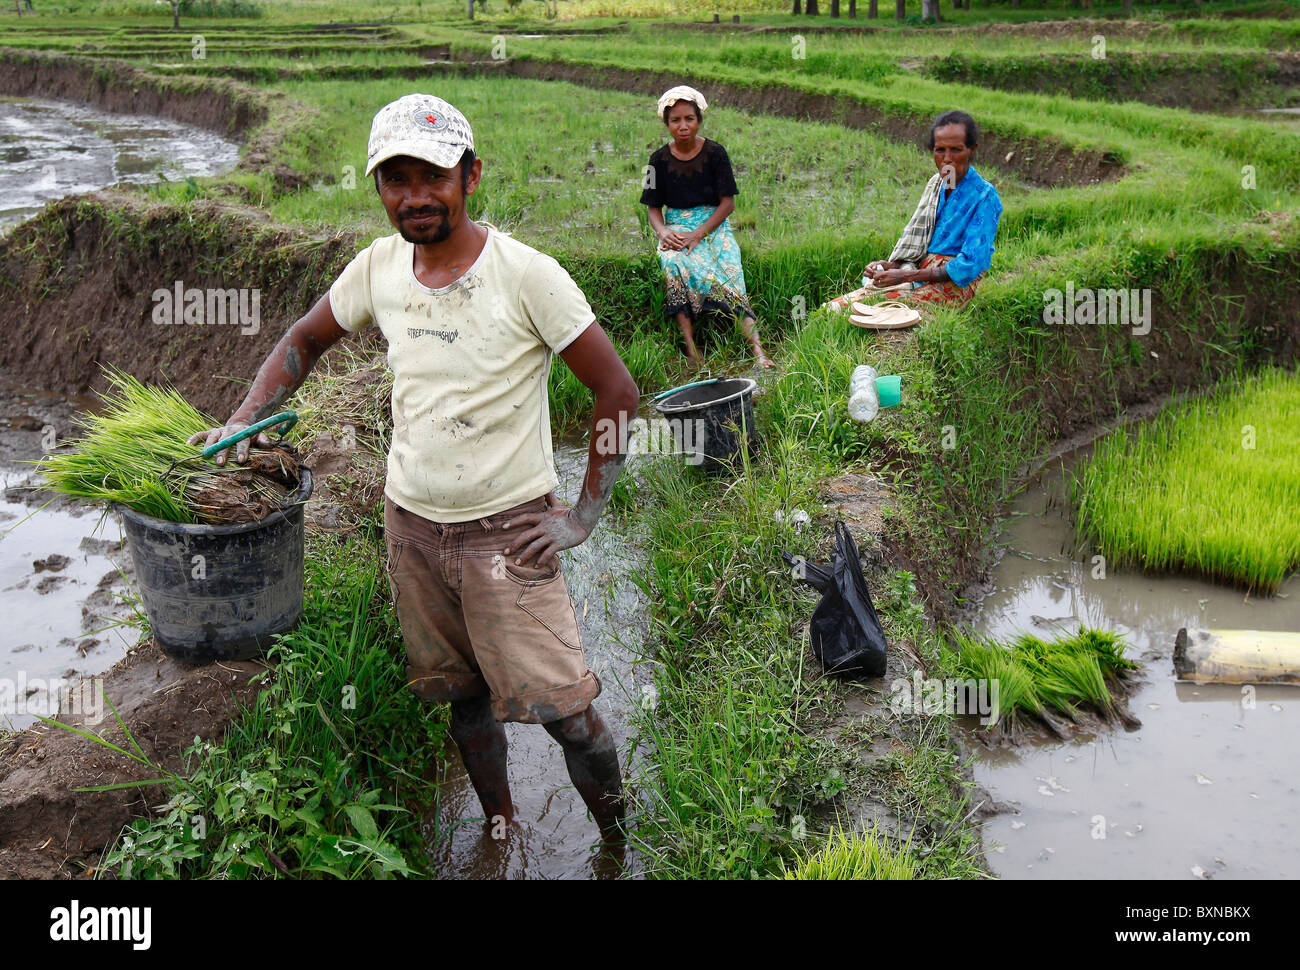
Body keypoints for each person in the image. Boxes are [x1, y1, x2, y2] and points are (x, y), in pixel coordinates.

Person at [188, 94, 639, 847]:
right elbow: (303, 339)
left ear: (470, 175)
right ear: (378, 189)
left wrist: (582, 518)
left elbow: (616, 390)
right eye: (396, 179)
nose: (415, 197)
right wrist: (242, 421)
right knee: (460, 697)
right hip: (413, 532)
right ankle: (500, 822)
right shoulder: (380, 268)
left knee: (567, 711)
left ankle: (619, 841)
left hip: (508, 535)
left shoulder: (527, 275)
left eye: (432, 176)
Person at [640, 85, 775, 370]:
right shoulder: (657, 161)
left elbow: (728, 204)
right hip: (676, 226)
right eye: (675, 120)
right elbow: (653, 208)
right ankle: (692, 350)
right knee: (673, 262)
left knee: (728, 270)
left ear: (698, 120)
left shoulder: (715, 153)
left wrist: (699, 234)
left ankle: (759, 351)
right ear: (666, 124)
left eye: (689, 118)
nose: (683, 126)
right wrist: (664, 232)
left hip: (713, 226)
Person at [826, 110, 1002, 313]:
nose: (947, 159)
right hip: (919, 272)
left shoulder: (985, 196)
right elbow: (919, 244)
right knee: (834, 307)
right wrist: (892, 265)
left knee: (869, 307)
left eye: (956, 150)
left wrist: (906, 276)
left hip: (952, 286)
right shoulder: (935, 185)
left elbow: (970, 264)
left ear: (971, 150)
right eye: (940, 150)